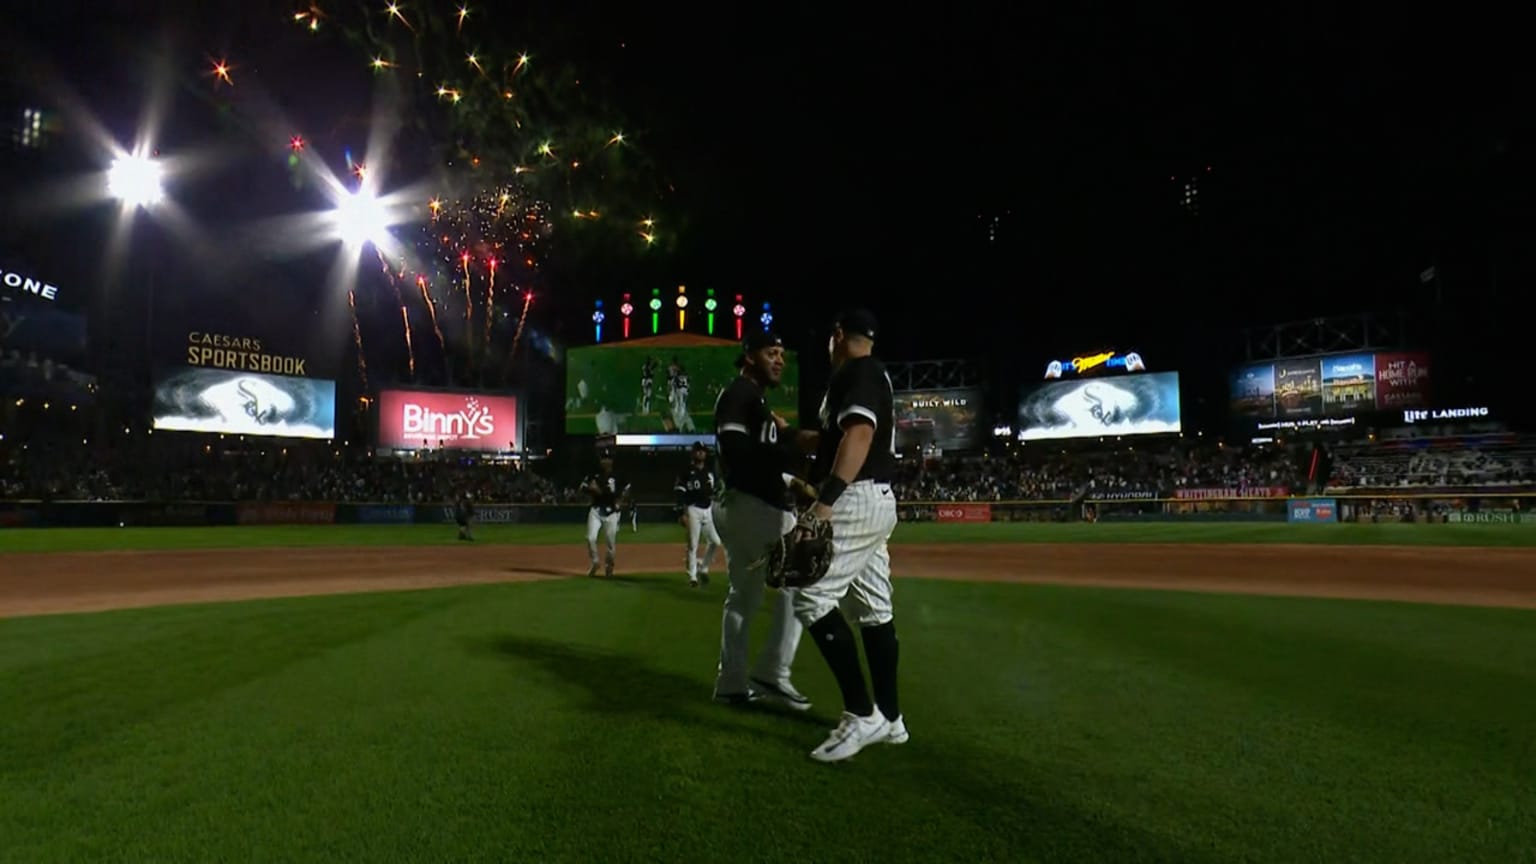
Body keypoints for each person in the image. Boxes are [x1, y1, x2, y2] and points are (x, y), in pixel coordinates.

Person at [795, 308, 907, 762]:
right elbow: (835, 440)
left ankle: (862, 715)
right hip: (873, 496)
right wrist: (788, 438)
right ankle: (892, 719)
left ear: (838, 335)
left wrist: (824, 506)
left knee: (811, 597)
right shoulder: (871, 372)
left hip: (856, 497)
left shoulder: (857, 373)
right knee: (874, 609)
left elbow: (858, 437)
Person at [710, 331, 813, 710]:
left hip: (741, 504)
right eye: (772, 352)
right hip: (757, 507)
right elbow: (736, 449)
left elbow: (751, 454)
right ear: (749, 356)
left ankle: (731, 683)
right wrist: (787, 468)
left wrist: (788, 470)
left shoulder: (755, 399)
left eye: (782, 353)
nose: (780, 359)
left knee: (744, 597)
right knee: (802, 584)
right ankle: (774, 670)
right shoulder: (741, 393)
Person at [674, 441, 722, 587]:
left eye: (703, 451)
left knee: (715, 541)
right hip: (692, 509)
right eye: (698, 450)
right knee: (692, 544)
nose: (701, 453)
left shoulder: (709, 472)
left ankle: (704, 568)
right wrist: (681, 513)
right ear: (693, 453)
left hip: (707, 509)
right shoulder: (686, 471)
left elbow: (713, 491)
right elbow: (679, 492)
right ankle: (692, 576)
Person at [583, 451, 631, 578]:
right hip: (596, 510)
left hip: (612, 512)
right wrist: (589, 489)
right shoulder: (594, 474)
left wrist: (622, 499)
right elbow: (583, 487)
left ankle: (609, 567)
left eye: (608, 458)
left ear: (612, 461)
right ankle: (595, 562)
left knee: (610, 543)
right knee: (590, 538)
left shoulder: (618, 475)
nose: (605, 461)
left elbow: (626, 488)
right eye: (603, 458)